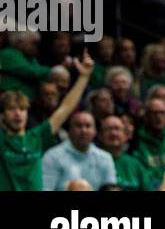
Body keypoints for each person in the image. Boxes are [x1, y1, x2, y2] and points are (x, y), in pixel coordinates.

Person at [0, 49, 94, 191]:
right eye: (11, 109)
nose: (17, 114)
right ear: (2, 115)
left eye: (22, 109)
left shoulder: (36, 137)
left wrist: (84, 77)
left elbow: (65, 109)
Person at [42, 110, 116, 190]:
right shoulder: (52, 156)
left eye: (88, 126)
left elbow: (111, 189)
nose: (84, 130)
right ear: (69, 130)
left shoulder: (105, 158)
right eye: (78, 126)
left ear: (95, 131)